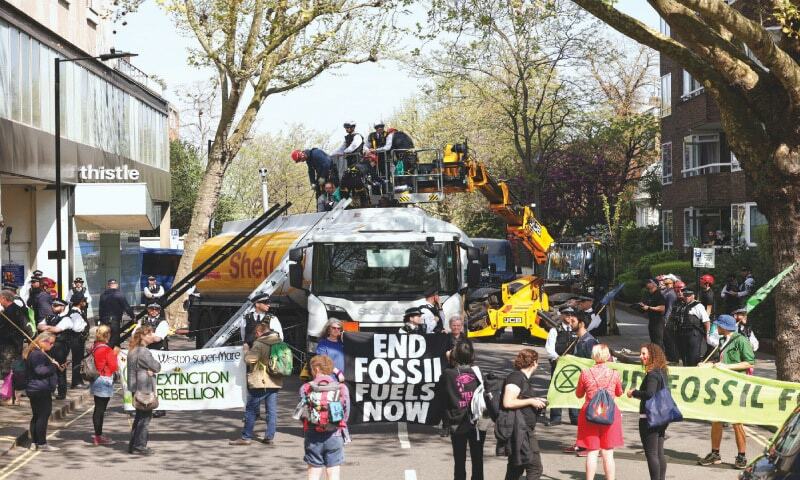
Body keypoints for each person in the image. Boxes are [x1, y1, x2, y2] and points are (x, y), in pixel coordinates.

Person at [698, 314, 755, 469]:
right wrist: (709, 365)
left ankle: (742, 456)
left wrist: (727, 367)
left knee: (737, 422)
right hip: (722, 386)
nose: (717, 328)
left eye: (718, 325)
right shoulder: (723, 340)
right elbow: (722, 362)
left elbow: (750, 361)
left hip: (737, 387)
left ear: (724, 326)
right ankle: (715, 453)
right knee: (716, 420)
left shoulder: (741, 340)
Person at [575, 344, 623, 480]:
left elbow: (579, 394)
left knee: (592, 451)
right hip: (610, 414)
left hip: (590, 414)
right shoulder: (614, 374)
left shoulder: (585, 373)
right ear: (608, 356)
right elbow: (619, 393)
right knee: (608, 453)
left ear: (593, 355)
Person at [438, 340, 484, 480]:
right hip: (476, 420)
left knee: (459, 460)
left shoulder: (448, 373)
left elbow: (440, 392)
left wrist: (449, 361)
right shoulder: (476, 372)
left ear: (454, 355)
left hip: (456, 420)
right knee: (477, 458)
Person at [300, 354, 350, 480]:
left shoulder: (306, 388)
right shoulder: (341, 387)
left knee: (314, 472)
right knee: (333, 472)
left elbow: (302, 413)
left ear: (316, 369)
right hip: (335, 433)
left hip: (312, 434)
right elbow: (346, 412)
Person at [231, 323, 283, 446]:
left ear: (259, 332)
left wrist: (246, 351)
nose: (255, 336)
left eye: (256, 334)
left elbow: (250, 360)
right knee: (271, 411)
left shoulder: (259, 344)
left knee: (250, 410)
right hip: (275, 381)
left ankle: (246, 437)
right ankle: (269, 436)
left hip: (260, 381)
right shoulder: (279, 343)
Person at [499, 349, 546, 480]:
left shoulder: (521, 378)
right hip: (520, 431)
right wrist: (531, 401)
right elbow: (508, 402)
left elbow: (520, 399)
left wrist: (536, 401)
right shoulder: (516, 377)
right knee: (535, 468)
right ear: (534, 363)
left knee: (516, 467)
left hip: (521, 429)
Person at [626, 344, 670, 480]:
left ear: (652, 355)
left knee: (651, 454)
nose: (641, 356)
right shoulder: (662, 371)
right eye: (641, 354)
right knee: (659, 453)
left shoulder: (652, 374)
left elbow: (649, 394)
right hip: (662, 417)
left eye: (644, 354)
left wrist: (634, 393)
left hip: (649, 418)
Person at [38, 298, 85, 399]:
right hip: (48, 345)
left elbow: (57, 329)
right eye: (53, 305)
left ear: (62, 307)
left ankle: (61, 392)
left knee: (60, 369)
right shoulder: (50, 317)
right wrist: (48, 328)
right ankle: (49, 390)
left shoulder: (67, 319)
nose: (53, 307)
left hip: (61, 346)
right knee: (48, 368)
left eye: (56, 305)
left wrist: (46, 327)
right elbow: (39, 326)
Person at [127, 325, 161, 455]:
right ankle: (139, 446)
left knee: (139, 417)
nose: (152, 336)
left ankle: (134, 444)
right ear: (142, 336)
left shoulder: (133, 350)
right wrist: (152, 370)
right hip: (144, 388)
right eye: (149, 334)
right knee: (145, 419)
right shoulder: (144, 352)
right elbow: (157, 367)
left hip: (136, 388)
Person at [24, 332, 60, 451]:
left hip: (35, 388)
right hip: (40, 389)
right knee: (43, 416)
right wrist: (53, 366)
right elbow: (40, 371)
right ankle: (41, 443)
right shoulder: (37, 355)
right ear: (42, 341)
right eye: (50, 343)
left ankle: (34, 442)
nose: (52, 345)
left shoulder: (36, 353)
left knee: (37, 415)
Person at [545, 307, 579, 426]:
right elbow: (549, 348)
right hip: (559, 364)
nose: (569, 316)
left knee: (574, 389)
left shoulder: (576, 330)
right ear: (561, 315)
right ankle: (555, 417)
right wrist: (557, 357)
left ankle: (575, 417)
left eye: (571, 314)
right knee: (556, 389)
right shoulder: (555, 330)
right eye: (566, 314)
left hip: (573, 365)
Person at [90, 324, 118, 446]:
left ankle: (98, 434)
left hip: (96, 379)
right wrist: (115, 354)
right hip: (104, 379)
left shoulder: (95, 346)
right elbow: (113, 366)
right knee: (100, 410)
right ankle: (98, 436)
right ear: (107, 335)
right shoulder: (107, 349)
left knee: (98, 408)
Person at [0, 289, 33, 393]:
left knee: (8, 369)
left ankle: (9, 394)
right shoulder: (14, 309)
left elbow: (26, 326)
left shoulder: (12, 311)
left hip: (10, 345)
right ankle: (12, 394)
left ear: (4, 298)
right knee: (11, 369)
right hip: (13, 343)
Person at [675, 289, 710, 366]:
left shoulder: (698, 306)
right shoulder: (682, 305)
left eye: (689, 295)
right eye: (685, 295)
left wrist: (707, 333)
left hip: (694, 334)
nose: (686, 297)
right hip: (682, 333)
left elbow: (706, 321)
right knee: (684, 355)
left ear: (693, 296)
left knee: (693, 356)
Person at [98, 279, 135, 347]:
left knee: (105, 339)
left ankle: (106, 354)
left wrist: (100, 320)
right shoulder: (119, 294)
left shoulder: (103, 295)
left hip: (104, 320)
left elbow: (100, 309)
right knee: (115, 340)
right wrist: (133, 317)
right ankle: (113, 356)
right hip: (114, 321)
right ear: (117, 285)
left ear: (108, 286)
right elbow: (126, 307)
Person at [65, 294, 89, 388]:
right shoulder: (75, 313)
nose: (85, 302)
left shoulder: (79, 311)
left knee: (79, 360)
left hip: (79, 340)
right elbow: (76, 328)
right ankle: (76, 382)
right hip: (76, 339)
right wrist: (84, 326)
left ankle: (78, 380)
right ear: (80, 302)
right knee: (77, 360)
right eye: (84, 301)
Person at [638, 279, 666, 347]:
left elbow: (662, 308)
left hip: (658, 322)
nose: (647, 283)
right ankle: (655, 355)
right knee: (653, 341)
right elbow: (646, 306)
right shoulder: (649, 294)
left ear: (655, 284)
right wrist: (641, 305)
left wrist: (649, 307)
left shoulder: (659, 294)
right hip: (651, 320)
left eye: (649, 282)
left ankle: (660, 356)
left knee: (658, 342)